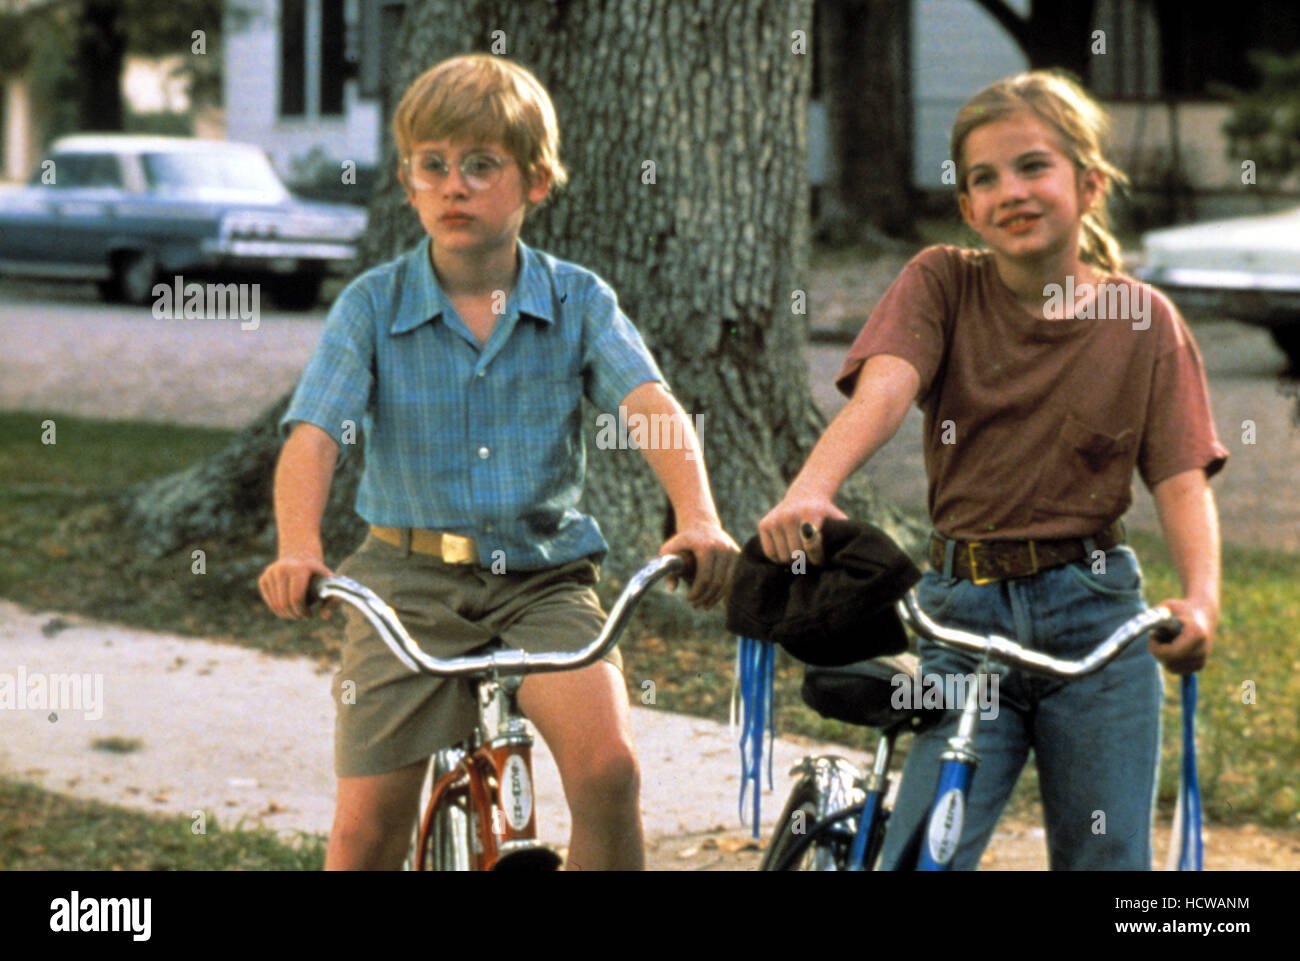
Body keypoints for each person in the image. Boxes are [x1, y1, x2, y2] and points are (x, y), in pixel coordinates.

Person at [258, 54, 738, 871]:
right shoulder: (372, 305)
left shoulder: (579, 299)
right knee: (364, 829)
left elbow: (648, 406)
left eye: (483, 166)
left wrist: (697, 518)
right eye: (433, 166)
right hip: (405, 583)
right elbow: (314, 434)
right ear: (408, 184)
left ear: (537, 182)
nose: (455, 186)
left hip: (544, 580)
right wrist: (299, 545)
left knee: (609, 772)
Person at [758, 70, 1227, 870]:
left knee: (1110, 857)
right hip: (965, 620)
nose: (1011, 190)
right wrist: (812, 485)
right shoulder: (943, 282)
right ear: (968, 208)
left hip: (1097, 621)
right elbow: (883, 390)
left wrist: (1203, 600)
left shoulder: (1144, 323)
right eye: (984, 178)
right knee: (925, 852)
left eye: (1033, 166)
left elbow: (1181, 478)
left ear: (1088, 184)